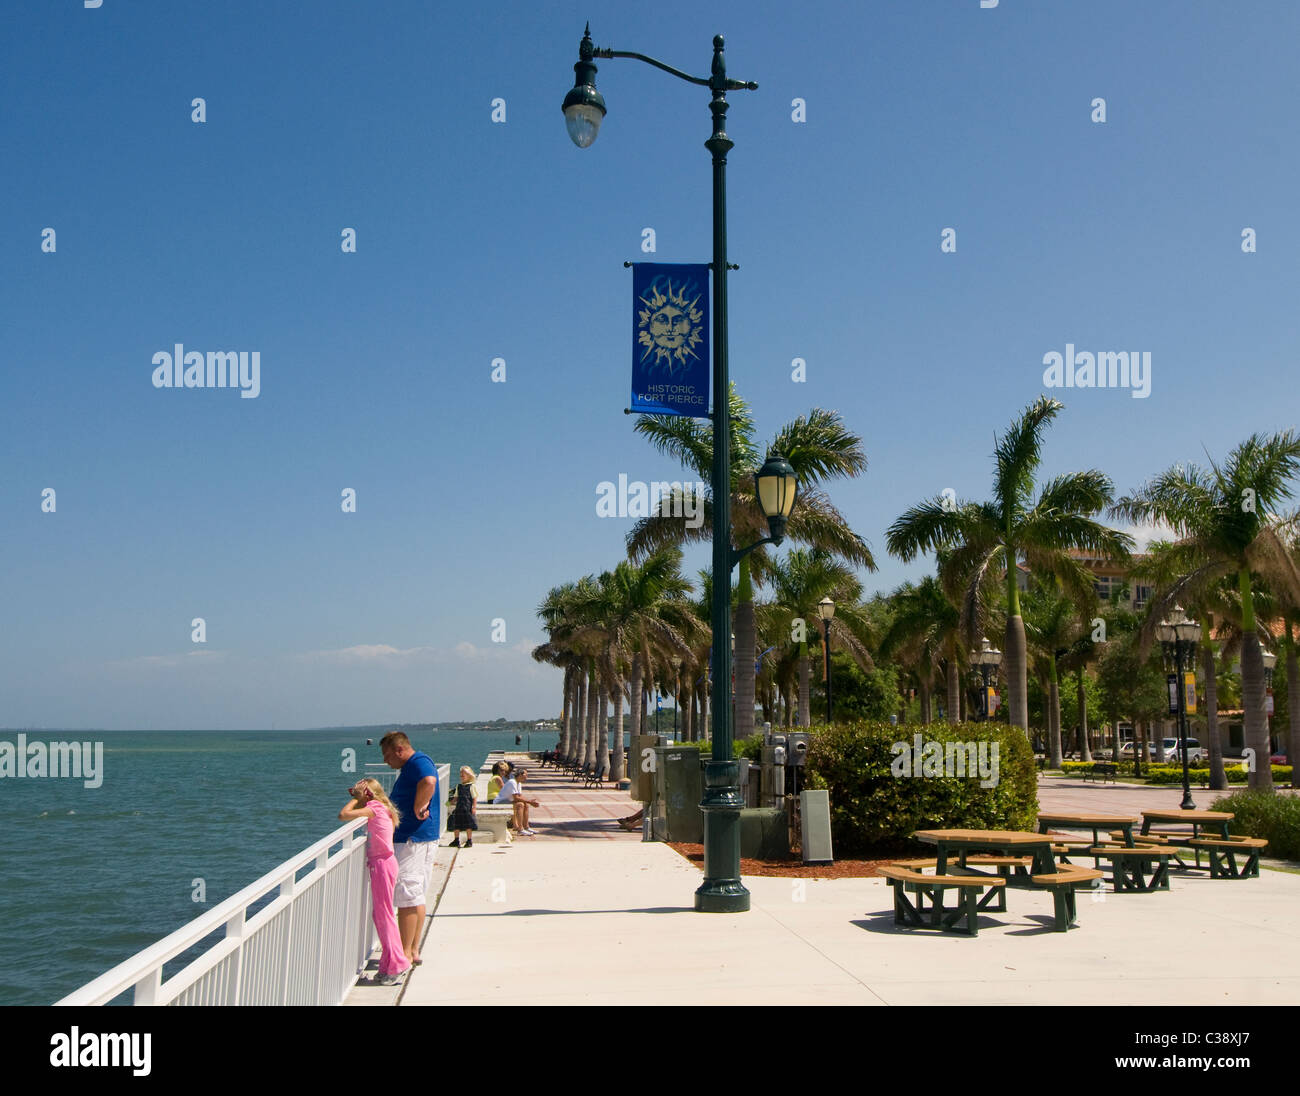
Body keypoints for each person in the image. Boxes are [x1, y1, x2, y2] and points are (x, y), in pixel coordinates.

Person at [338, 778, 410, 986]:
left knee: (385, 915)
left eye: (360, 791)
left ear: (368, 794)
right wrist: (361, 798)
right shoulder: (381, 806)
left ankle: (398, 964)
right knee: (381, 915)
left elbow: (343, 815)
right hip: (383, 864)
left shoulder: (374, 807)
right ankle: (388, 964)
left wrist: (355, 799)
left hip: (382, 865)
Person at [380, 731, 439, 967]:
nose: (386, 761)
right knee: (416, 896)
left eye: (386, 755)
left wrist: (419, 805)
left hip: (412, 840)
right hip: (419, 838)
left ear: (399, 750)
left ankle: (404, 954)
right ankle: (412, 950)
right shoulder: (414, 765)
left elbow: (430, 781)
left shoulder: (418, 762)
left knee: (406, 895)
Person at [494, 766, 540, 836]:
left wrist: (529, 802)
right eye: (526, 775)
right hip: (500, 802)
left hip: (508, 801)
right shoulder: (512, 782)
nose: (527, 777)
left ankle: (526, 827)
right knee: (520, 805)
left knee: (525, 804)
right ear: (520, 775)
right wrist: (530, 802)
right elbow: (516, 798)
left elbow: (520, 796)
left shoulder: (518, 783)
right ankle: (520, 829)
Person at [446, 765, 477, 848]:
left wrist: (474, 807)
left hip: (467, 809)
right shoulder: (458, 786)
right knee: (457, 825)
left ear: (469, 776)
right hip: (459, 808)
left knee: (468, 825)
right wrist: (448, 804)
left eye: (464, 775)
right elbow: (456, 797)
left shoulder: (471, 786)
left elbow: (474, 798)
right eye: (461, 775)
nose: (462, 777)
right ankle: (456, 840)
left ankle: (469, 840)